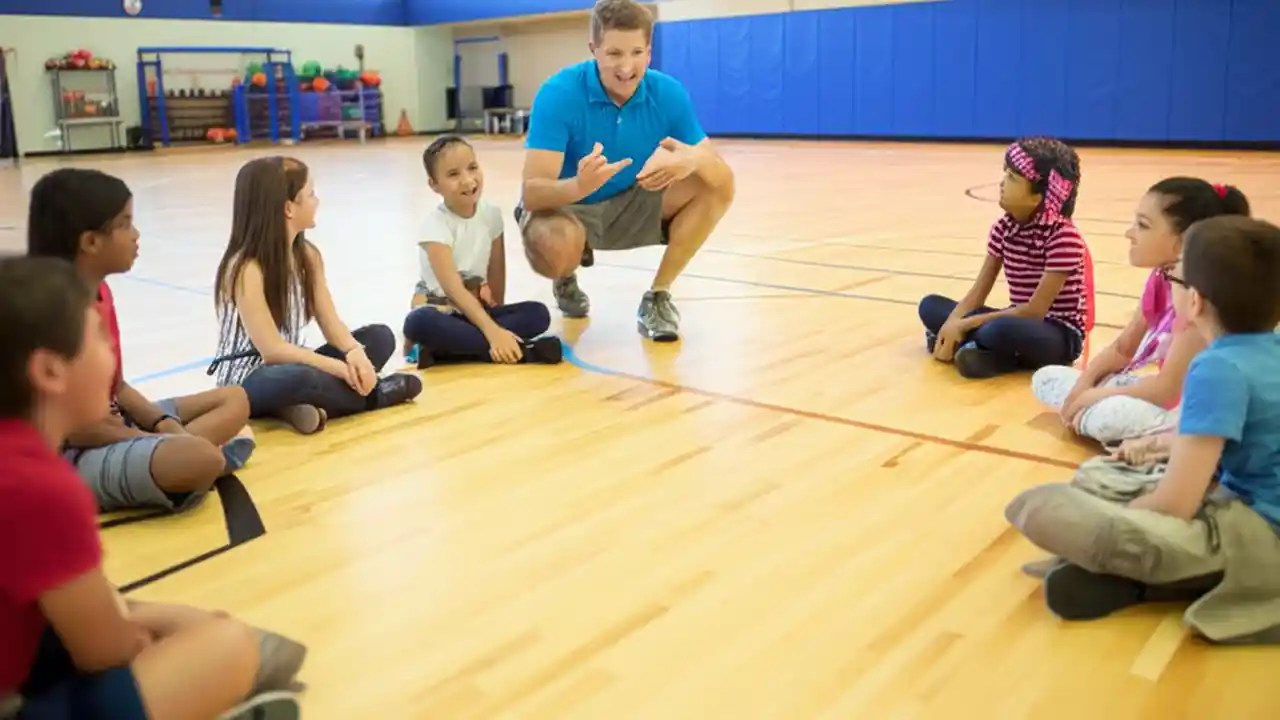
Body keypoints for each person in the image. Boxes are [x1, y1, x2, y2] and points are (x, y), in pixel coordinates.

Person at [0, 255, 301, 720]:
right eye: (99, 337)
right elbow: (103, 652)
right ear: (50, 371)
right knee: (228, 645)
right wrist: (144, 640)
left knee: (168, 620)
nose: (112, 355)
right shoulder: (40, 486)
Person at [1030, 215, 1280, 620]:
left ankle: (1161, 578)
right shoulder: (1269, 347)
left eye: (1174, 279)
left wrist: (1123, 515)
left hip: (1261, 530)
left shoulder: (1216, 368)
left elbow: (1176, 504)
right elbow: (1221, 437)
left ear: (1194, 300)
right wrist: (1152, 447)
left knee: (1050, 504)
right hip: (1246, 501)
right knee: (1102, 479)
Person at [26, 168, 255, 514]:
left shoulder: (100, 292)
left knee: (235, 398)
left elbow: (116, 385)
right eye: (125, 224)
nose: (136, 235)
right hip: (71, 451)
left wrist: (162, 423)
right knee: (199, 457)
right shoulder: (52, 314)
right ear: (90, 242)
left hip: (114, 424)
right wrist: (155, 439)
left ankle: (182, 460)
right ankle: (200, 462)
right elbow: (76, 429)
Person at [515, 0, 736, 342]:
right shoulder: (558, 93)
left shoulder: (668, 93)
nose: (626, 67)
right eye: (614, 53)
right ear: (594, 49)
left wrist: (693, 160)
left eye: (637, 52)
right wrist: (578, 184)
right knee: (558, 250)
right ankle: (566, 273)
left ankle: (658, 297)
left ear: (649, 51)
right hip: (566, 204)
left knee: (713, 184)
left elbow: (722, 177)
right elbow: (532, 192)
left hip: (629, 199)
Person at [209, 156, 422, 435]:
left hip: (291, 365)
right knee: (302, 376)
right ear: (288, 208)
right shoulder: (245, 268)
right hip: (249, 379)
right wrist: (339, 368)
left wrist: (355, 353)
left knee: (379, 338)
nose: (317, 201)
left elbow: (330, 322)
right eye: (310, 194)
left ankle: (292, 407)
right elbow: (272, 351)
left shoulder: (308, 256)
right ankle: (376, 396)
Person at [1031, 178, 1252, 445]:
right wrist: (1082, 388)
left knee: (1108, 416)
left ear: (1182, 242)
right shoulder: (1162, 278)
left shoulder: (1200, 295)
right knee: (1046, 378)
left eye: (1143, 225)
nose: (1129, 233)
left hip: (1205, 411)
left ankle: (1170, 444)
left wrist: (1094, 397)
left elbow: (1169, 391)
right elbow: (1124, 348)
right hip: (1172, 397)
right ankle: (1101, 415)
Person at [918, 137, 1089, 379]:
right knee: (930, 306)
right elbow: (977, 294)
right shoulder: (1003, 229)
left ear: (1036, 197)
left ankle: (979, 348)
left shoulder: (1063, 237)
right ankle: (984, 354)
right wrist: (952, 323)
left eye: (1012, 178)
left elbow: (1034, 311)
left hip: (1057, 334)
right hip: (1018, 318)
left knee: (997, 330)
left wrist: (964, 325)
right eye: (1005, 173)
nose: (1002, 183)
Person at [402, 135, 562, 368]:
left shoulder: (491, 214)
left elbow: (496, 273)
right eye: (453, 174)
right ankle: (525, 351)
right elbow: (453, 289)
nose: (468, 181)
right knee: (419, 322)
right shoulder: (434, 226)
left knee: (538, 313)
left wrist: (496, 322)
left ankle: (445, 353)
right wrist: (494, 333)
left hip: (476, 312)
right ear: (434, 184)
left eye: (472, 168)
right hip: (443, 310)